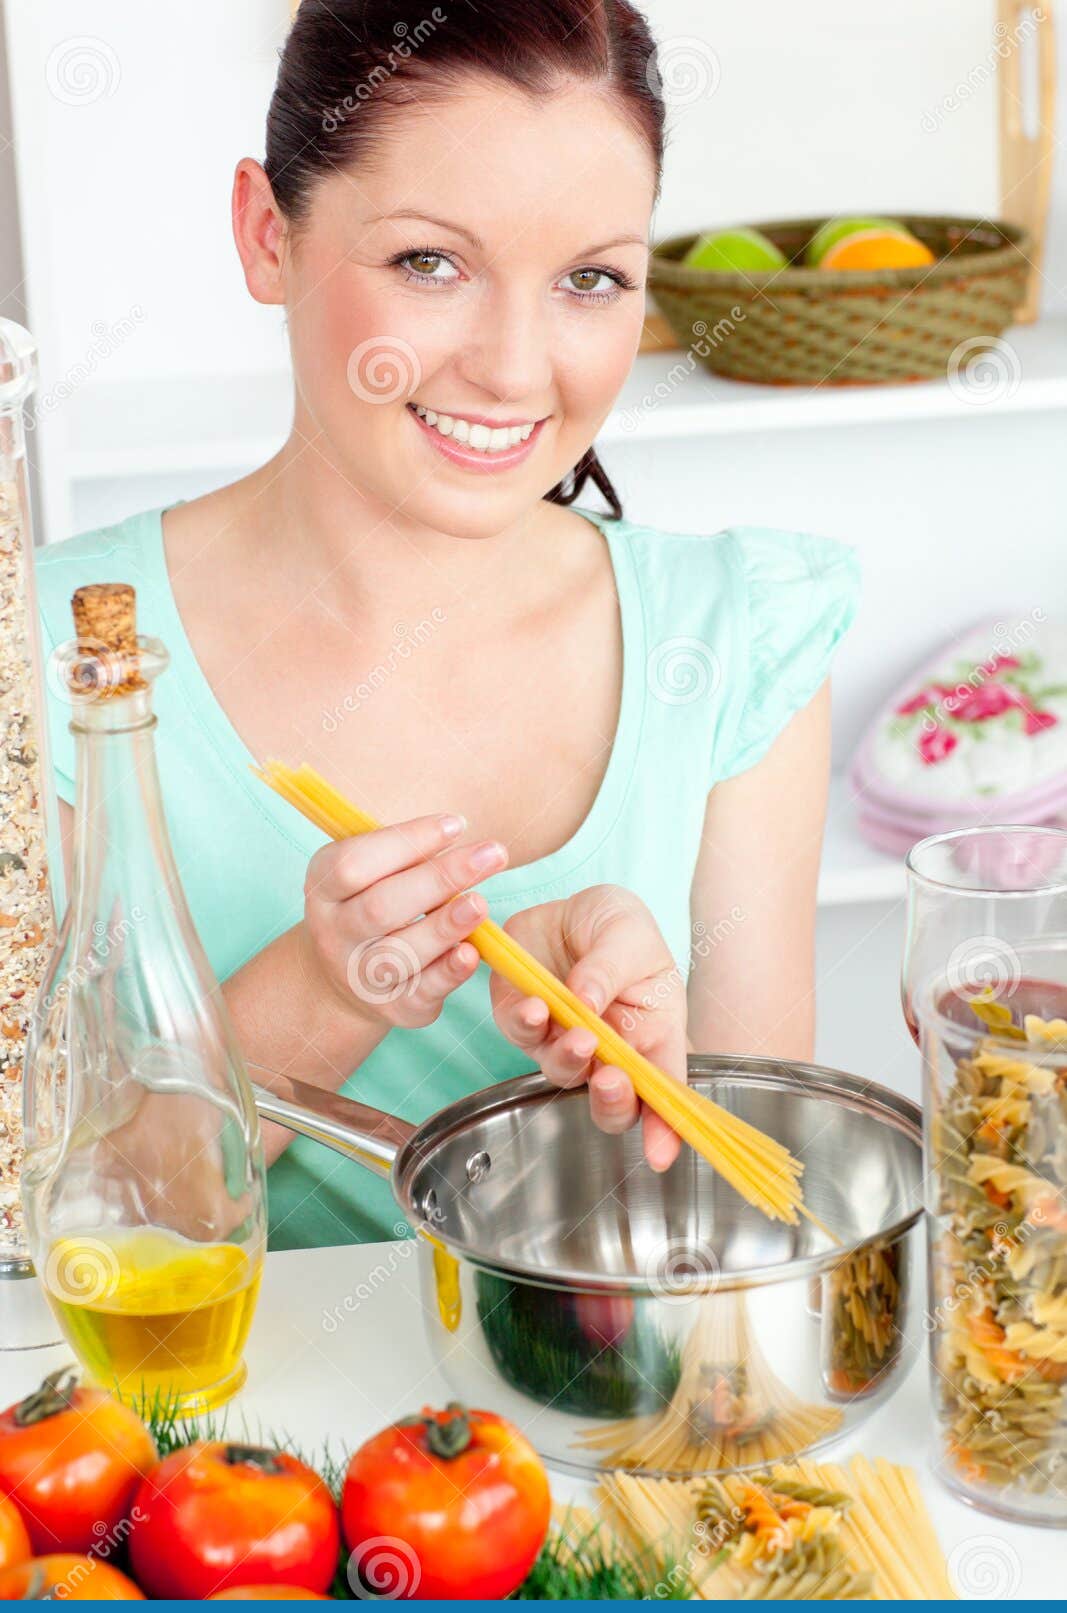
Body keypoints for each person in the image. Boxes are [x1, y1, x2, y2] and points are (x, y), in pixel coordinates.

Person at [37, 0, 859, 1251]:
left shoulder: (737, 639)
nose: (517, 368)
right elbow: (74, 1242)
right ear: (268, 236)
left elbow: (736, 1239)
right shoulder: (44, 658)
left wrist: (624, 1069)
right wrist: (319, 989)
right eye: (431, 263)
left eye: (591, 280)